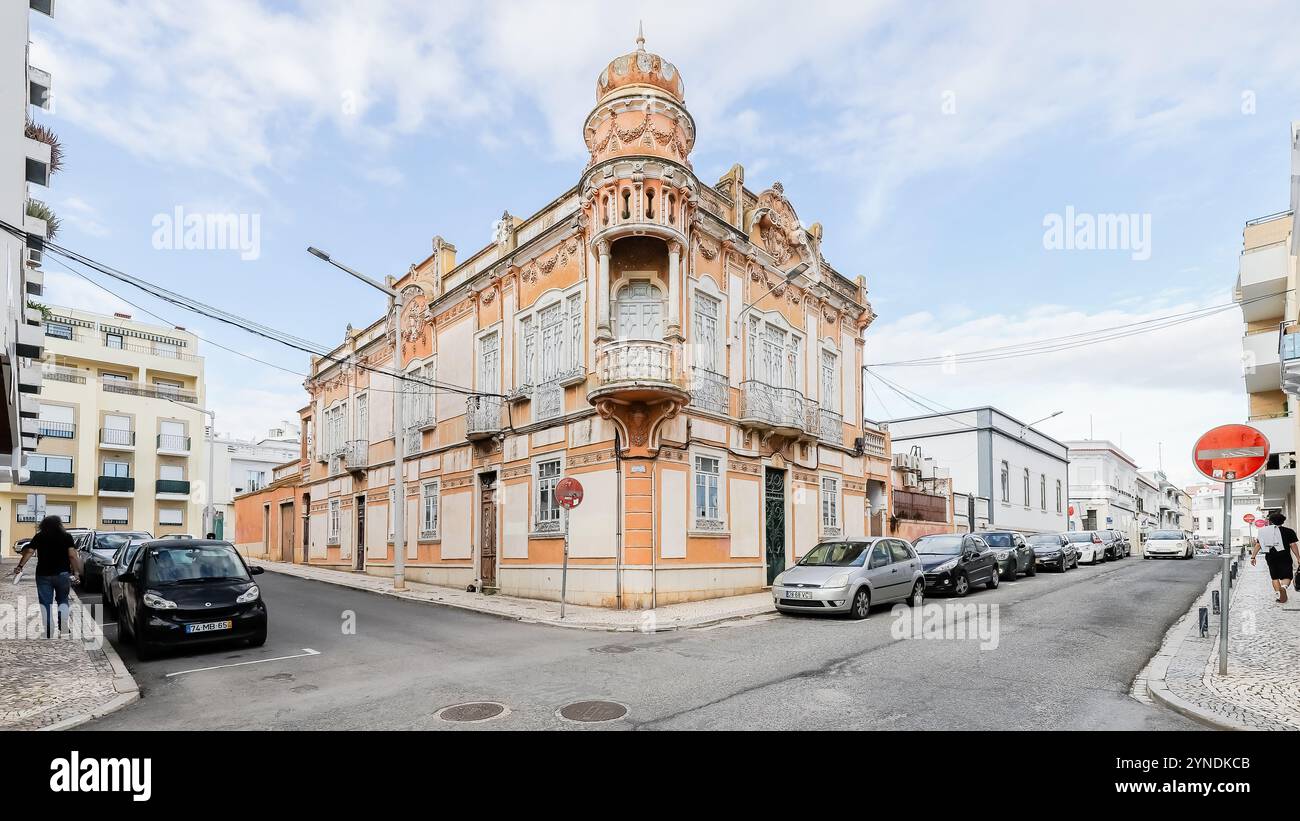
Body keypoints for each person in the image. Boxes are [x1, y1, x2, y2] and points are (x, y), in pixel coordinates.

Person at [10, 515, 82, 638]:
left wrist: (20, 566)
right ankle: (63, 627)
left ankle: (48, 629)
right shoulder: (66, 537)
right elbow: (72, 556)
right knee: (63, 601)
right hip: (62, 574)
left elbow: (29, 552)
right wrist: (76, 572)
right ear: (59, 524)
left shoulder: (39, 536)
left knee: (45, 603)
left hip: (43, 574)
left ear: (44, 525)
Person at [1251, 511, 1300, 604]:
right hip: (1284, 556)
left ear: (1271, 521)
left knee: (1274, 577)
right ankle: (1284, 587)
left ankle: (1278, 595)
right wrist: (1298, 557)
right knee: (1287, 575)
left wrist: (1253, 557)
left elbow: (1258, 545)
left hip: (1270, 556)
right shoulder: (1289, 531)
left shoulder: (1264, 532)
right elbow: (1293, 545)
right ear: (1283, 521)